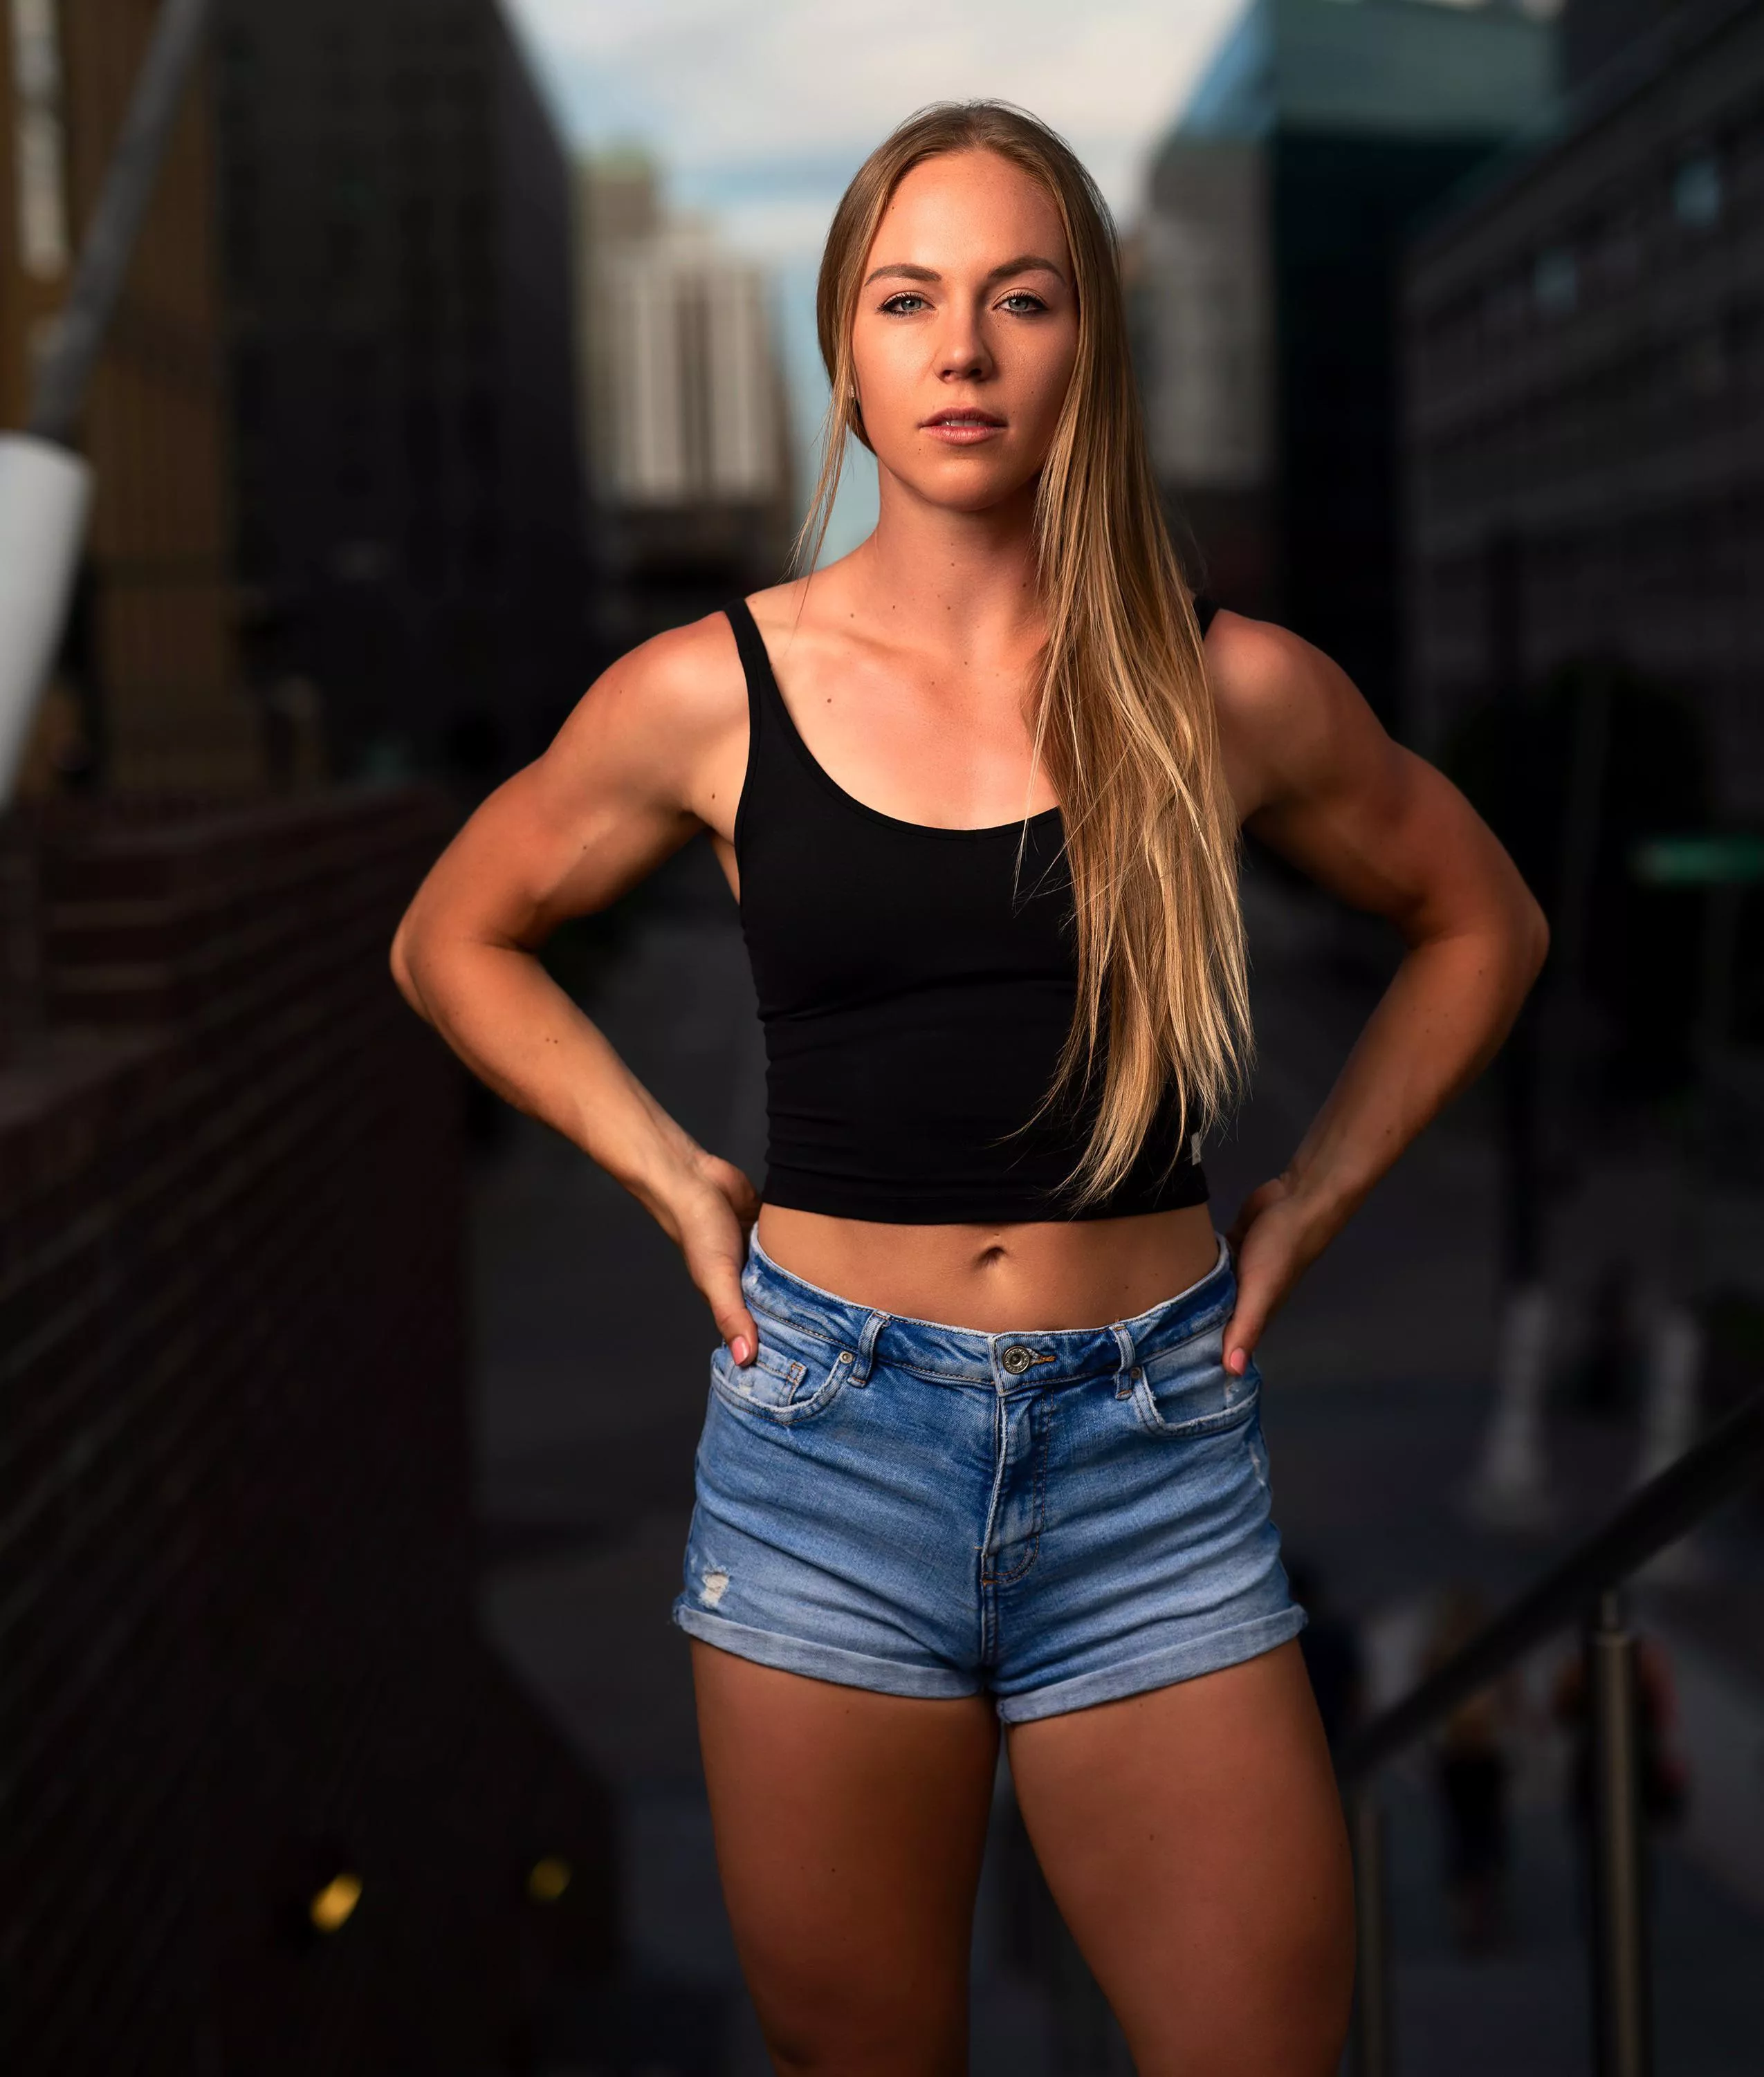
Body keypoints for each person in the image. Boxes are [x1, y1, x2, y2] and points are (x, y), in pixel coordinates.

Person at [390, 103, 1547, 2077]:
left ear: (1086, 343)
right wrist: (671, 1175)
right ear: (840, 347)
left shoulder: (1223, 684)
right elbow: (451, 937)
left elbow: (1481, 921)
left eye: (1022, 299)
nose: (965, 348)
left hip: (1153, 1449)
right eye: (909, 299)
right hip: (828, 1456)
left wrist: (1318, 1194)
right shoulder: (704, 688)